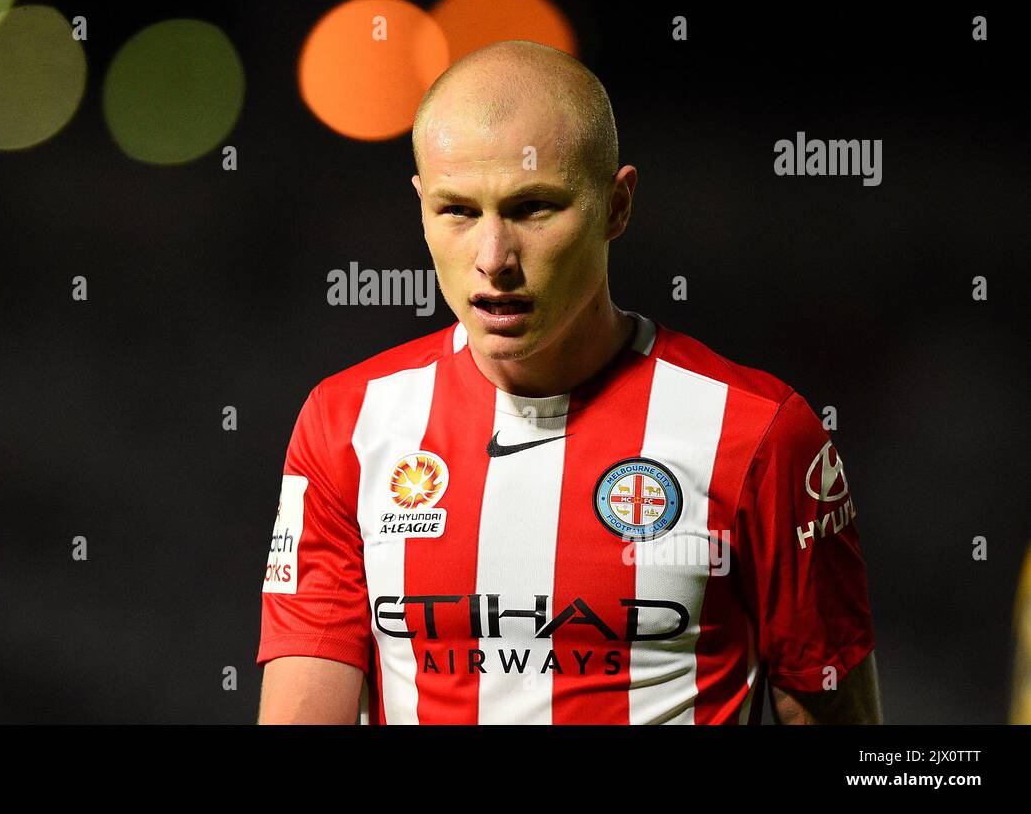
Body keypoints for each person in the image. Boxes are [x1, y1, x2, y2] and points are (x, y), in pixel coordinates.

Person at [256, 40, 881, 724]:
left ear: (617, 205)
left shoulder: (761, 432)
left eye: (534, 209)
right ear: (421, 205)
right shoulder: (347, 424)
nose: (493, 260)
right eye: (458, 211)